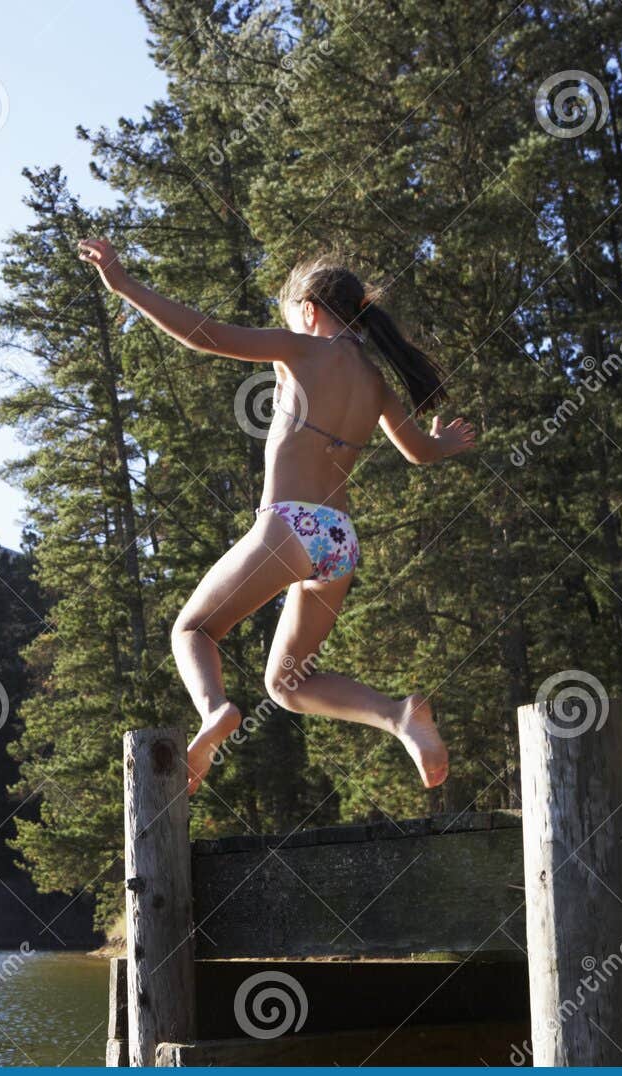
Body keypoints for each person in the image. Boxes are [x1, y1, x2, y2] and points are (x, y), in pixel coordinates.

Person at [78, 239, 477, 793]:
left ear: (309, 311)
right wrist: (444, 443)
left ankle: (215, 711)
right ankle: (398, 715)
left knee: (193, 630)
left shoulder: (302, 350)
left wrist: (123, 284)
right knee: (289, 685)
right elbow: (418, 452)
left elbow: (206, 335)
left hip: (290, 525)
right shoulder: (377, 384)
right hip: (337, 542)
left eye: (291, 315)